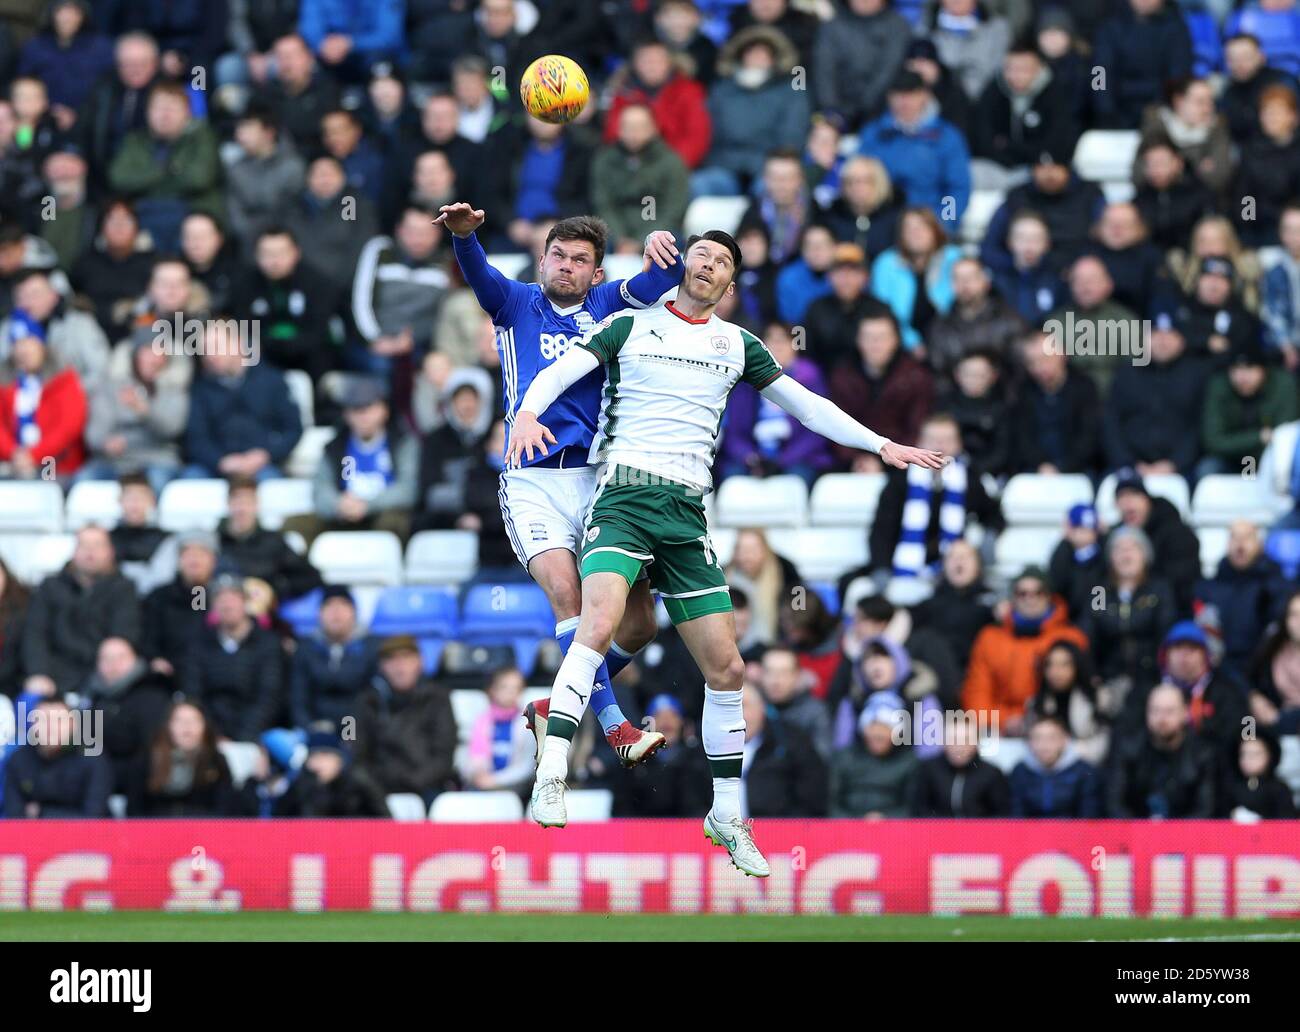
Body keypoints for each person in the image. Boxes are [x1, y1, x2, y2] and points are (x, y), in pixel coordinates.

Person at [508, 229, 944, 874]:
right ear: (683, 266)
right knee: (596, 625)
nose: (709, 267)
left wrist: (881, 445)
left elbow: (808, 406)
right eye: (702, 257)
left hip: (687, 512)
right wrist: (523, 414)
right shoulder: (629, 326)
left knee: (730, 670)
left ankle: (728, 814)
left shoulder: (736, 345)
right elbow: (557, 372)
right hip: (624, 494)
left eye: (722, 264)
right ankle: (552, 773)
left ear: (731, 287)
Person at [436, 201, 685, 766]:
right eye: (557, 255)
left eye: (579, 259)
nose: (565, 266)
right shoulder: (516, 302)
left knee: (642, 623)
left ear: (597, 272)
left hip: (599, 481)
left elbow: (663, 278)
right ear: (541, 259)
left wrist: (662, 242)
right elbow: (478, 274)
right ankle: (617, 727)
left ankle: (558, 702)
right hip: (533, 482)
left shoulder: (605, 302)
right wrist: (464, 238)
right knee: (572, 604)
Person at [868, 413, 1003, 580]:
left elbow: (993, 514)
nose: (940, 446)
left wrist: (989, 536)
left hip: (952, 574)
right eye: (933, 440)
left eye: (947, 440)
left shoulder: (970, 479)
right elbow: (882, 530)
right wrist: (882, 567)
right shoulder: (900, 480)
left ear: (959, 444)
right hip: (905, 568)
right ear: (919, 442)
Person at [284, 377, 418, 545]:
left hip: (381, 513)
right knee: (296, 524)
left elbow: (408, 489)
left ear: (384, 410)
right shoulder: (335, 446)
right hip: (342, 515)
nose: (362, 416)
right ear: (346, 414)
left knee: (395, 522)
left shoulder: (402, 442)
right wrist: (338, 504)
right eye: (355, 409)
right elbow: (320, 488)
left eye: (368, 407)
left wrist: (368, 505)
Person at [962, 566, 1089, 733]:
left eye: (1038, 592)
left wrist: (1039, 722)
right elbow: (977, 693)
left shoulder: (1071, 638)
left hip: (1056, 732)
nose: (1030, 599)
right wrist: (1004, 722)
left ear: (1049, 596)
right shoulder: (989, 638)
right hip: (999, 731)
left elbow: (1080, 693)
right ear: (1013, 597)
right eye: (1022, 593)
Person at [22, 525, 139, 697]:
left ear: (110, 552)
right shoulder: (50, 587)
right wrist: (38, 672)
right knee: (25, 706)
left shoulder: (124, 588)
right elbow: (35, 633)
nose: (90, 552)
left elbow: (124, 635)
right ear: (74, 551)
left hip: (103, 676)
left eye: (98, 545)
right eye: (84, 546)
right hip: (54, 675)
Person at [717, 320, 833, 487]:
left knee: (797, 479)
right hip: (753, 457)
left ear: (795, 346)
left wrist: (781, 461)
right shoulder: (745, 380)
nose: (778, 346)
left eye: (783, 340)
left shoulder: (810, 378)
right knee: (732, 477)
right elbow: (733, 432)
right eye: (772, 340)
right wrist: (751, 458)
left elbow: (816, 433)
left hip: (796, 458)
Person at [350, 635, 458, 806]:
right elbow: (353, 746)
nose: (399, 666)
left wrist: (414, 781)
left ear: (419, 662)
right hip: (378, 788)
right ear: (382, 666)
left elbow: (445, 753)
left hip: (427, 785)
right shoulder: (364, 701)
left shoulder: (439, 698)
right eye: (391, 660)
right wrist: (377, 782)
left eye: (406, 658)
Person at [179, 574, 284, 745]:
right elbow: (194, 694)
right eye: (220, 598)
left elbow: (268, 697)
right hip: (209, 737)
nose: (227, 604)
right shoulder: (199, 644)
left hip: (255, 735)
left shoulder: (268, 644)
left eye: (233, 598)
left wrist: (244, 738)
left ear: (245, 603)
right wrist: (214, 737)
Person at [857, 70, 971, 222]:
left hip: (929, 223)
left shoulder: (946, 137)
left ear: (925, 96)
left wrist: (943, 223)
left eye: (911, 94)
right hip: (881, 222)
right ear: (889, 97)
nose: (904, 102)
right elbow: (860, 178)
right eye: (898, 95)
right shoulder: (874, 134)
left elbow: (955, 189)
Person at [828, 311, 935, 472]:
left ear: (896, 340)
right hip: (852, 464)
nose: (875, 344)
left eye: (882, 337)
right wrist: (856, 460)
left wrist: (888, 460)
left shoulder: (917, 377)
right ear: (858, 340)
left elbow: (917, 428)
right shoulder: (842, 376)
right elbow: (834, 423)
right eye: (869, 337)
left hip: (904, 465)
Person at [1080, 527, 1179, 690]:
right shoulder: (1100, 592)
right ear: (1110, 557)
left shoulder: (1159, 590)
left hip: (1150, 679)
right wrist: (1091, 673)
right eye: (1118, 549)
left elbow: (1166, 634)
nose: (1126, 554)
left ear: (1145, 556)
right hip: (1107, 680)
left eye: (1133, 547)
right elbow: (1089, 632)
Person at [70, 635, 171, 792]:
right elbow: (82, 748)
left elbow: (150, 751)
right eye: (106, 658)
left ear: (135, 659)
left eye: (121, 657)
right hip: (94, 783)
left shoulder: (152, 696)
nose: (113, 664)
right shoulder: (89, 697)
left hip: (137, 787)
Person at [126, 700, 255, 817]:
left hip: (204, 837)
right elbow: (134, 812)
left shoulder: (216, 761)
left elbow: (226, 811)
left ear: (205, 727)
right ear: (168, 726)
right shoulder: (147, 761)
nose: (187, 726)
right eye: (179, 720)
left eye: (194, 720)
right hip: (155, 837)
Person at [1106, 682, 1218, 817]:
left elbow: (1205, 809)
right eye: (1155, 710)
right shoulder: (1127, 749)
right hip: (1135, 832)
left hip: (1186, 834)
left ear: (1185, 713)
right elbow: (1114, 804)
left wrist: (1174, 837)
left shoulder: (1202, 753)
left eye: (1169, 711)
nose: (1161, 718)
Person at [590, 104, 690, 254]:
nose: (633, 133)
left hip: (659, 233)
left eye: (640, 127)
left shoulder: (671, 162)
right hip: (613, 235)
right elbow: (603, 204)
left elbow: (674, 210)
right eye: (628, 126)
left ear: (654, 128)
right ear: (619, 129)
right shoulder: (605, 160)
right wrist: (619, 238)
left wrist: (642, 241)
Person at [0, 308, 86, 479]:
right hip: (11, 463)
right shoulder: (5, 380)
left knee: (47, 486)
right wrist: (13, 453)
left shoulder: (63, 378)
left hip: (56, 463)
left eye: (29, 342)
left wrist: (34, 455)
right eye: (18, 344)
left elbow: (68, 427)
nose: (24, 351)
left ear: (42, 345)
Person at [1200, 338, 1297, 479]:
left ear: (1263, 369)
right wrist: (1258, 438)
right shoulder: (1218, 386)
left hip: (1270, 459)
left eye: (1249, 369)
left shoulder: (1283, 385)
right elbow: (1213, 441)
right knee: (1208, 468)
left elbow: (1284, 438)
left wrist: (1255, 445)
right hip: (1232, 458)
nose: (1242, 377)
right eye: (1236, 369)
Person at [1009, 331, 1101, 476]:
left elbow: (1089, 436)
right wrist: (1041, 464)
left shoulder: (1084, 387)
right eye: (1032, 362)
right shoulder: (1023, 390)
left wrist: (1063, 467)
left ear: (1063, 355)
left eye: (1046, 359)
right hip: (1034, 469)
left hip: (1079, 469)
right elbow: (1022, 436)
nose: (1039, 367)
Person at [288, 585, 376, 734]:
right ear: (319, 614)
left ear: (354, 612)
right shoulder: (306, 649)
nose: (336, 612)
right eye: (329, 606)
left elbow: (373, 698)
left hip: (359, 730)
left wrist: (351, 732)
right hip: (316, 728)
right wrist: (310, 728)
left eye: (342, 605)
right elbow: (298, 698)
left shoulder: (372, 648)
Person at [1093, 0, 1194, 130]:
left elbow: (1179, 74)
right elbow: (1099, 70)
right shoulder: (1110, 27)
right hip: (1116, 112)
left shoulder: (1177, 28)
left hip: (1162, 113)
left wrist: (1163, 109)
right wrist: (1104, 108)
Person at [219, 477, 323, 602]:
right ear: (228, 504)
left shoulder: (273, 541)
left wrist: (273, 591)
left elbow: (310, 577)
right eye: (237, 501)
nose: (242, 509)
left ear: (257, 505)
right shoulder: (214, 542)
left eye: (248, 502)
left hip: (265, 616)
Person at [2, 698, 112, 817]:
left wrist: (41, 813)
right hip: (31, 834)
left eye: (58, 720)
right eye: (42, 720)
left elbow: (94, 817)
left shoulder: (93, 758)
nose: (50, 727)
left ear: (73, 724)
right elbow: (14, 815)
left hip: (87, 835)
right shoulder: (20, 758)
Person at [812, 0, 909, 128]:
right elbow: (824, 71)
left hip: (880, 113)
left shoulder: (897, 26)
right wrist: (831, 108)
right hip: (834, 113)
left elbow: (889, 72)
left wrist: (862, 109)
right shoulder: (832, 26)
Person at [737, 683, 828, 817]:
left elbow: (812, 798)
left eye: (743, 706)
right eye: (728, 708)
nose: (736, 714)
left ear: (762, 707)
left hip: (779, 833)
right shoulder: (705, 746)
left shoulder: (792, 742)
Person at [925, 258, 1024, 378]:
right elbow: (938, 374)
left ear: (986, 282)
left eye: (971, 277)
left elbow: (1019, 371)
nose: (964, 284)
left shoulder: (1010, 322)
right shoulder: (940, 326)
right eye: (958, 279)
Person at [140, 530, 217, 679]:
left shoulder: (217, 596)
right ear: (179, 560)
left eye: (201, 553)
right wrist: (154, 658)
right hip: (167, 675)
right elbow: (147, 637)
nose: (195, 560)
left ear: (213, 560)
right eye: (188, 553)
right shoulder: (159, 597)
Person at [829, 694, 919, 818]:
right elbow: (831, 804)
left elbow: (912, 808)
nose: (877, 734)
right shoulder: (844, 757)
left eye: (885, 728)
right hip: (845, 829)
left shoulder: (909, 762)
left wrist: (886, 820)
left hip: (895, 830)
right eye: (872, 726)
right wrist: (856, 823)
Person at [1025, 640, 1111, 766]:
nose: (1056, 671)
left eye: (1064, 664)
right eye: (1050, 665)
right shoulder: (1036, 703)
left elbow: (1104, 739)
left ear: (1077, 666)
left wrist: (1076, 753)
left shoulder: (1097, 698)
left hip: (1090, 763)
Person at [1008, 715, 1103, 818]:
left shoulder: (1084, 772)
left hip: (1074, 832)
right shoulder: (1020, 771)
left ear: (1065, 739)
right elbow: (1016, 814)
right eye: (1037, 738)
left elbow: (1089, 815)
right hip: (1030, 832)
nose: (1044, 745)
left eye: (1051, 738)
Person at [463, 666, 536, 798]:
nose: (510, 693)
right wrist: (477, 774)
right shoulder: (481, 722)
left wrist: (495, 781)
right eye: (504, 687)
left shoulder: (527, 724)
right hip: (480, 787)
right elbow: (469, 761)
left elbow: (527, 767)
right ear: (492, 690)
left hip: (516, 791)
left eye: (516, 688)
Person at [909, 723, 1010, 816]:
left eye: (966, 740)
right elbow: (919, 809)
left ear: (976, 744)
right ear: (943, 743)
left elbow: (1002, 814)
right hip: (936, 832)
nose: (959, 747)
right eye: (953, 740)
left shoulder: (991, 774)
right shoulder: (929, 770)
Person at [759, 645, 831, 759]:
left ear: (797, 676)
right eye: (769, 672)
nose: (776, 681)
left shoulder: (814, 712)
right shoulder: (752, 708)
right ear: (761, 675)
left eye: (784, 673)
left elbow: (820, 759)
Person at [1249, 589, 1300, 734]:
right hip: (1276, 736)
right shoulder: (1272, 648)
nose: (1298, 622)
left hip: (1282, 724)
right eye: (1293, 614)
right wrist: (1253, 697)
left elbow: (1277, 718)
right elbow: (1247, 680)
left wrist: (1282, 719)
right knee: (1247, 721)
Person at [1218, 733, 1298, 819]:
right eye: (1243, 754)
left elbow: (1288, 823)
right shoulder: (1231, 787)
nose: (1248, 760)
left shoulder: (1279, 789)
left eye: (1255, 754)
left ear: (1269, 756)